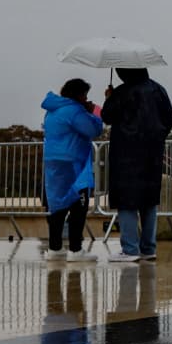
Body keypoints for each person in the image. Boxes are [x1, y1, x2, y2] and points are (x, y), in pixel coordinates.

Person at [101, 67, 172, 262]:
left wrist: (109, 97)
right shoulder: (159, 90)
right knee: (149, 200)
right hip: (152, 154)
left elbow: (107, 116)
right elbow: (169, 119)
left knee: (126, 200)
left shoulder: (123, 92)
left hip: (126, 154)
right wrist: (157, 139)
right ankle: (148, 248)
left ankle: (130, 249)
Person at [41, 78, 104, 260]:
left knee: (57, 204)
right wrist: (95, 113)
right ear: (79, 95)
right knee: (79, 204)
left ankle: (54, 248)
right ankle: (75, 250)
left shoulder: (52, 110)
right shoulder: (74, 111)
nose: (86, 98)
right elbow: (93, 130)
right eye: (85, 94)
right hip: (73, 162)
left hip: (53, 162)